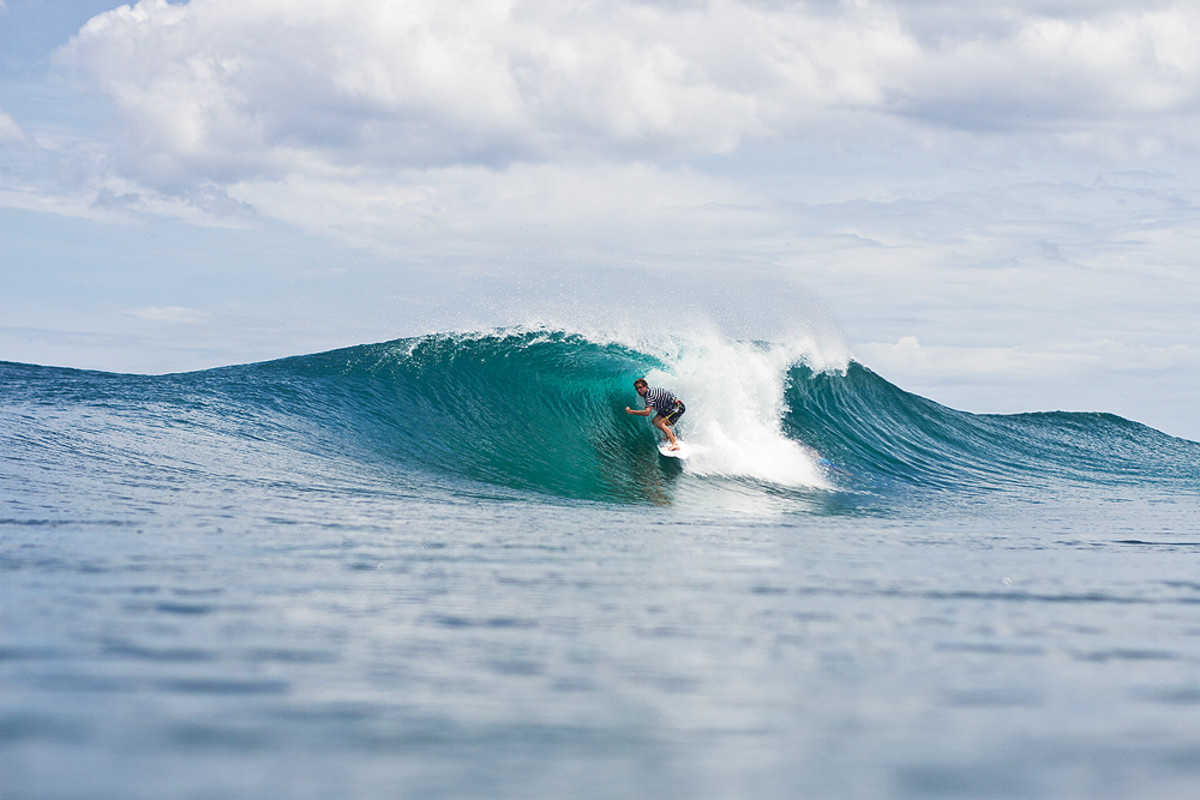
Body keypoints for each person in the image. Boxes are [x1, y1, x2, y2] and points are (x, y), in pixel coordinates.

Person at [625, 378, 685, 451]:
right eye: (637, 388)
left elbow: (647, 412)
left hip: (677, 406)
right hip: (667, 408)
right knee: (655, 421)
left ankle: (674, 444)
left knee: (661, 423)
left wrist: (631, 411)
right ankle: (671, 436)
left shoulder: (649, 395)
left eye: (640, 387)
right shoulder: (649, 391)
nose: (639, 390)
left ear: (646, 386)